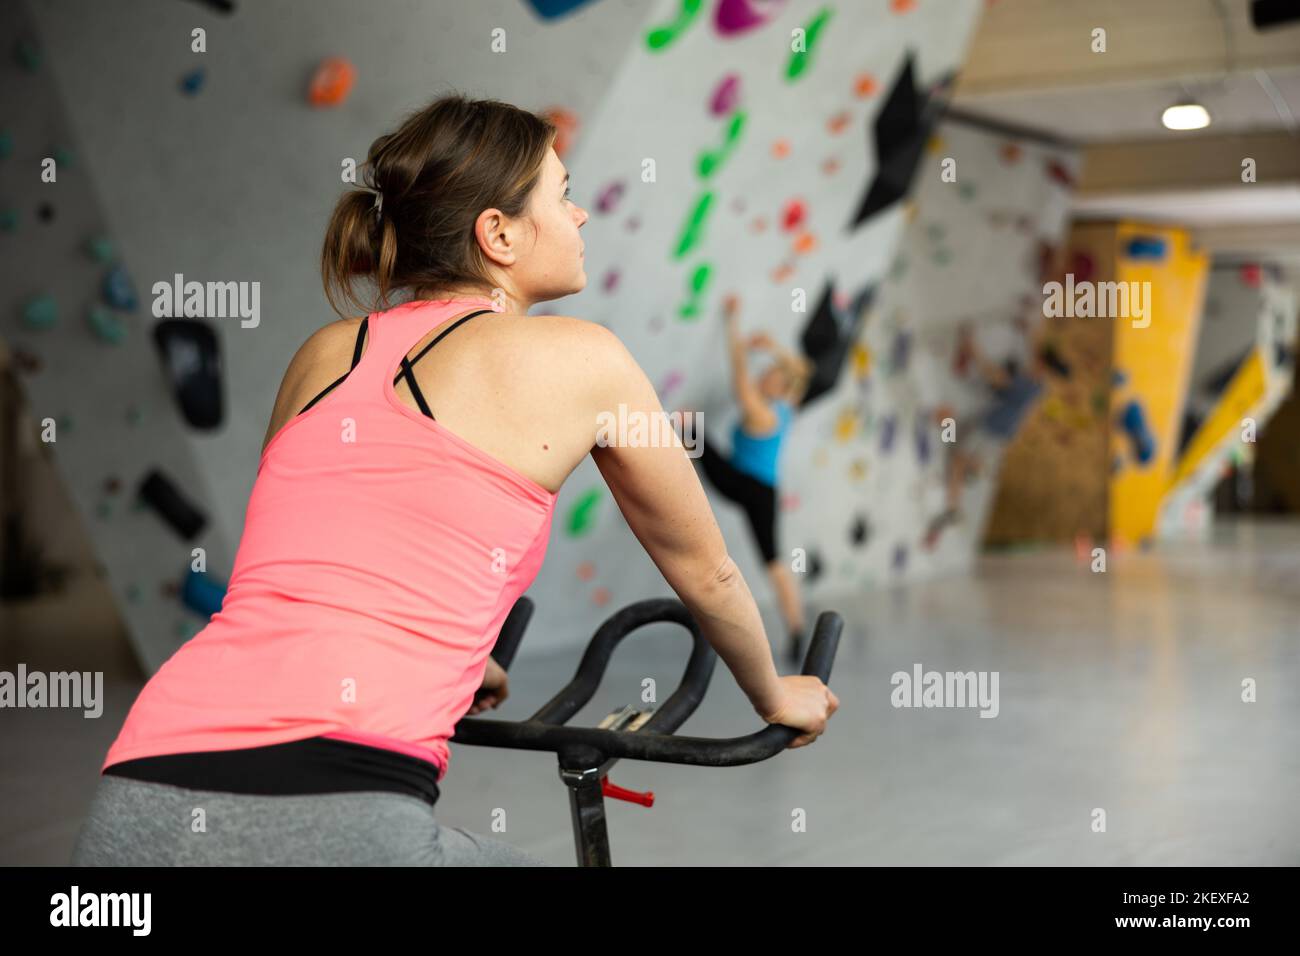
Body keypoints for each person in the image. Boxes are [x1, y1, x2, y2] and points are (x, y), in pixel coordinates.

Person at [70, 93, 838, 867]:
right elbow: (704, 568)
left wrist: (466, 652)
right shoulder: (584, 358)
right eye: (563, 195)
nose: (581, 218)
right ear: (497, 234)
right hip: (342, 808)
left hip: (140, 789)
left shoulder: (322, 354)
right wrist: (775, 693)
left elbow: (315, 564)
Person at [681, 294, 814, 666]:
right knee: (775, 564)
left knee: (773, 562)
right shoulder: (787, 407)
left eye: (770, 376)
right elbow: (800, 372)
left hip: (746, 487)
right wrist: (772, 348)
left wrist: (732, 323)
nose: (763, 376)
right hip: (758, 490)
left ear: (777, 386)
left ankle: (797, 631)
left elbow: (740, 373)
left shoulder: (762, 412)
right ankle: (797, 628)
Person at [923, 321, 1065, 549]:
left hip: (992, 427)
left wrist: (971, 347)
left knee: (958, 457)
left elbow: (993, 374)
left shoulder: (1028, 384)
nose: (1032, 361)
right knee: (966, 453)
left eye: (1036, 360)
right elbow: (1024, 361)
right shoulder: (1039, 384)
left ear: (1041, 365)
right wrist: (1028, 331)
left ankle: (953, 507)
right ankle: (971, 473)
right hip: (1000, 430)